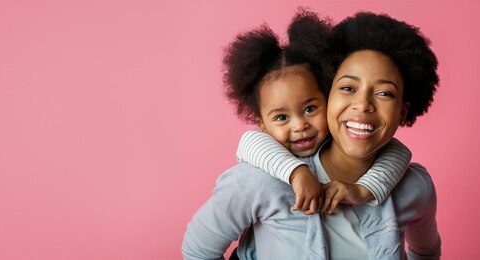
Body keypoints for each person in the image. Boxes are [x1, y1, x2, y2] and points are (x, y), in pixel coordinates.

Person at [182, 11, 440, 259]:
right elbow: (197, 251)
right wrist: (297, 172)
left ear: (403, 111)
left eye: (385, 93)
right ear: (330, 94)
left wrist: (364, 191)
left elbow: (426, 251)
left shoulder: (415, 187)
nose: (362, 105)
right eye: (348, 87)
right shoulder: (259, 180)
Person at [220, 10, 411, 215]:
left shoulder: (340, 137)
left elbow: (399, 153)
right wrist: (297, 172)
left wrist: (364, 190)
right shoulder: (258, 171)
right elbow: (250, 141)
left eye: (310, 109)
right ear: (262, 124)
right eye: (282, 117)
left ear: (326, 97)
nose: (300, 125)